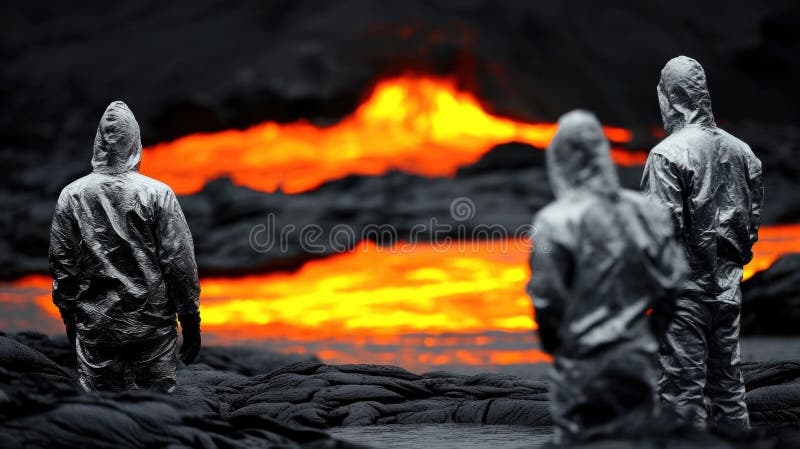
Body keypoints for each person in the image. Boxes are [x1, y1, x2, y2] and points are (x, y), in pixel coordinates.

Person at [528, 110, 687, 445]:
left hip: (581, 366)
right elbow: (672, 285)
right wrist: (649, 336)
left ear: (559, 158)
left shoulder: (551, 222)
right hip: (637, 362)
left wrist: (557, 346)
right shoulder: (648, 213)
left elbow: (546, 297)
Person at [641, 56, 763, 432]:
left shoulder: (667, 154)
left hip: (683, 296)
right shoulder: (743, 152)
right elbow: (751, 221)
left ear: (669, 96)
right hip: (728, 289)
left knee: (681, 396)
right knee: (729, 389)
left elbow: (657, 231)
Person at [49, 101, 201, 393]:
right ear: (135, 140)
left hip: (96, 326)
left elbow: (62, 262)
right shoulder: (158, 194)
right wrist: (191, 320)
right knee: (157, 415)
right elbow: (180, 262)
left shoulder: (72, 195)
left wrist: (69, 316)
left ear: (98, 141)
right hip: (152, 327)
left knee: (101, 416)